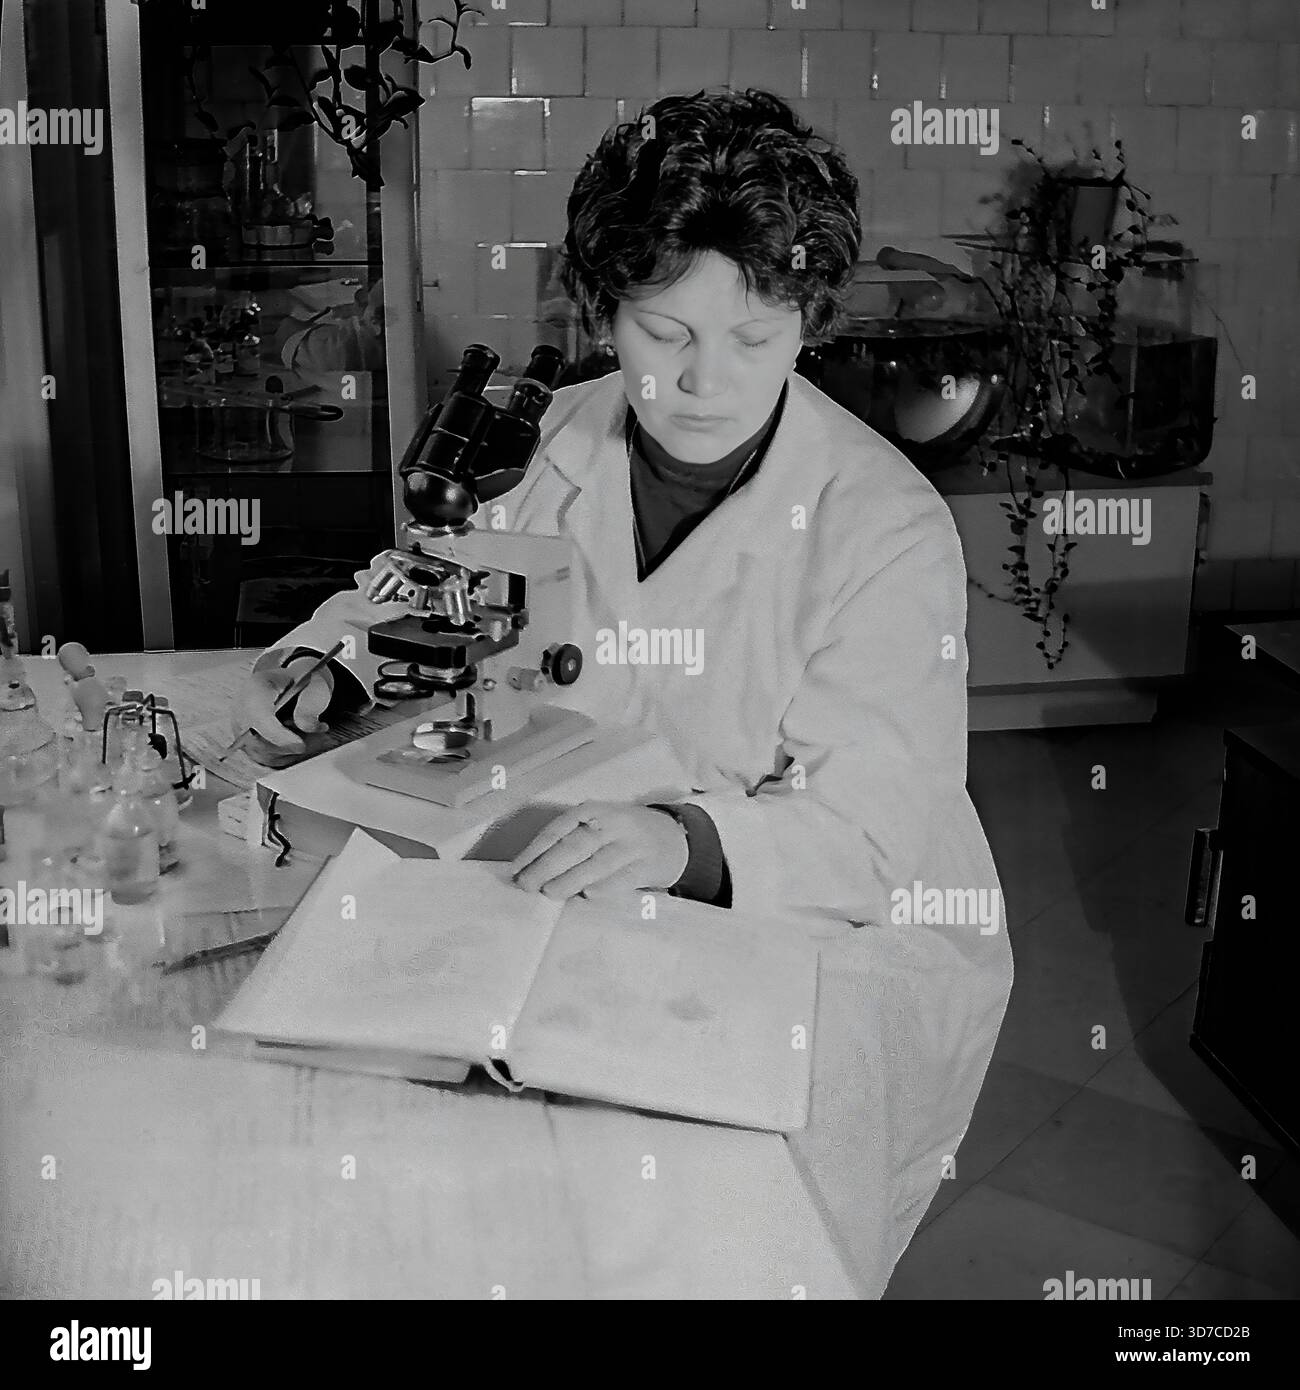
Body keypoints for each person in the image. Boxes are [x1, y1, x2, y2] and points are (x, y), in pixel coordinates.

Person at [234, 89, 1013, 1292]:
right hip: (570, 868)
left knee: (715, 1245)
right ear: (602, 310)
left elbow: (872, 829)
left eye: (756, 338)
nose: (706, 381)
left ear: (810, 317)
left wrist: (683, 841)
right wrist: (330, 669)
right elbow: (421, 594)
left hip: (808, 913)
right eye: (665, 333)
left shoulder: (884, 526)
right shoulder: (542, 441)